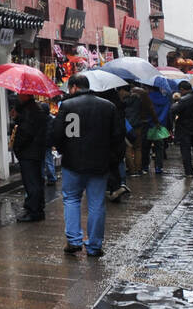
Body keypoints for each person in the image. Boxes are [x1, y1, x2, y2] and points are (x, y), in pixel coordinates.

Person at [49, 74, 121, 258]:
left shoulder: (68, 106)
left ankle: (74, 240)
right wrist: (111, 160)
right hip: (100, 164)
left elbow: (59, 134)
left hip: (73, 163)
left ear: (73, 87)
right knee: (96, 203)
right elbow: (117, 137)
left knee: (72, 199)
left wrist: (65, 150)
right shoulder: (108, 106)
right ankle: (94, 245)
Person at [12, 92, 50, 222]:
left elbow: (25, 133)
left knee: (32, 182)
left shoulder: (30, 111)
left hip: (29, 153)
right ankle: (37, 208)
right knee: (36, 181)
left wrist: (16, 147)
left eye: (20, 94)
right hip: (35, 151)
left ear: (26, 95)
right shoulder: (35, 109)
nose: (18, 95)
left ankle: (34, 211)